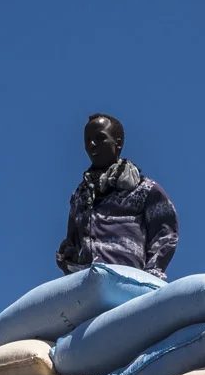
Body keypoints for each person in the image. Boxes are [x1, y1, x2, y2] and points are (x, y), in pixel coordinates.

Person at [55, 112, 178, 277]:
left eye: (100, 138)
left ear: (118, 143)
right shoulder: (80, 197)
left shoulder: (143, 188)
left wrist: (151, 272)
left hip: (128, 281)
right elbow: (72, 242)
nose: (92, 144)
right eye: (88, 140)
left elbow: (166, 233)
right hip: (87, 282)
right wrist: (68, 258)